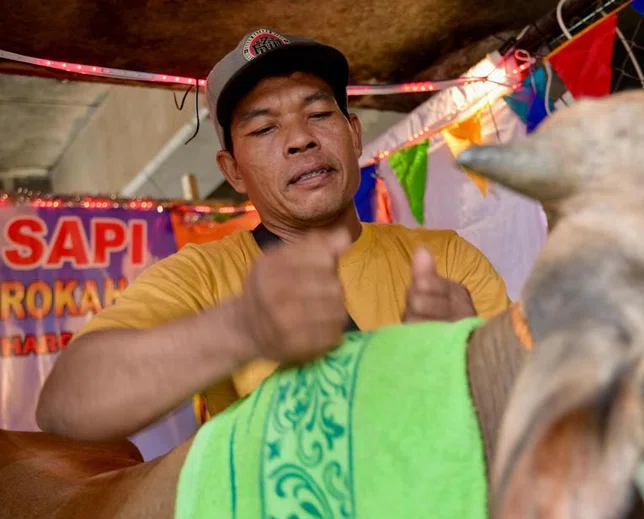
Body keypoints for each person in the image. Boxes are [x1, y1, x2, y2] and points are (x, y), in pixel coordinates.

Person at [36, 28, 510, 442]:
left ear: (355, 135)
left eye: (320, 115)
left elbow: (524, 420)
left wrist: (464, 363)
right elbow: (66, 404)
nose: (300, 138)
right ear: (234, 171)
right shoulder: (203, 276)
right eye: (264, 128)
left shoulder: (444, 259)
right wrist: (243, 328)